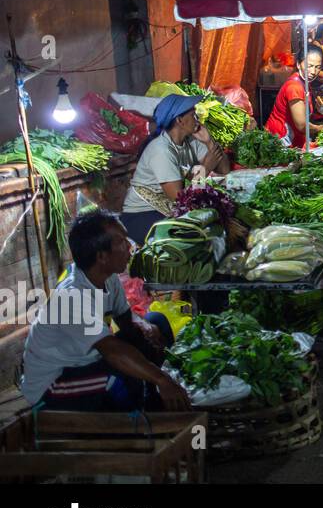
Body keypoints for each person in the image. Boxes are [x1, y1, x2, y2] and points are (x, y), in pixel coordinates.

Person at [20, 210, 190, 411]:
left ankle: (163, 398)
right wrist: (160, 378)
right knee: (121, 373)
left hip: (88, 362)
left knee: (156, 322)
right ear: (101, 256)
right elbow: (111, 350)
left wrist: (146, 328)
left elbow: (126, 321)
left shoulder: (107, 277)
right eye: (121, 242)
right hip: (53, 385)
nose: (129, 246)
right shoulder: (71, 296)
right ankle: (140, 425)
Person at [120, 93, 231, 242]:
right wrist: (205, 167)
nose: (197, 118)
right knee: (194, 235)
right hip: (141, 214)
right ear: (180, 120)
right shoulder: (161, 150)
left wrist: (209, 141)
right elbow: (180, 200)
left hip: (167, 208)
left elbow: (224, 170)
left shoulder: (190, 141)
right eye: (193, 115)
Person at [265, 44, 323, 151]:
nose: (313, 72)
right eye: (309, 66)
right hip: (280, 141)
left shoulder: (303, 82)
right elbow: (301, 125)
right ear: (299, 64)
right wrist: (318, 128)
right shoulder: (294, 87)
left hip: (292, 140)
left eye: (317, 67)